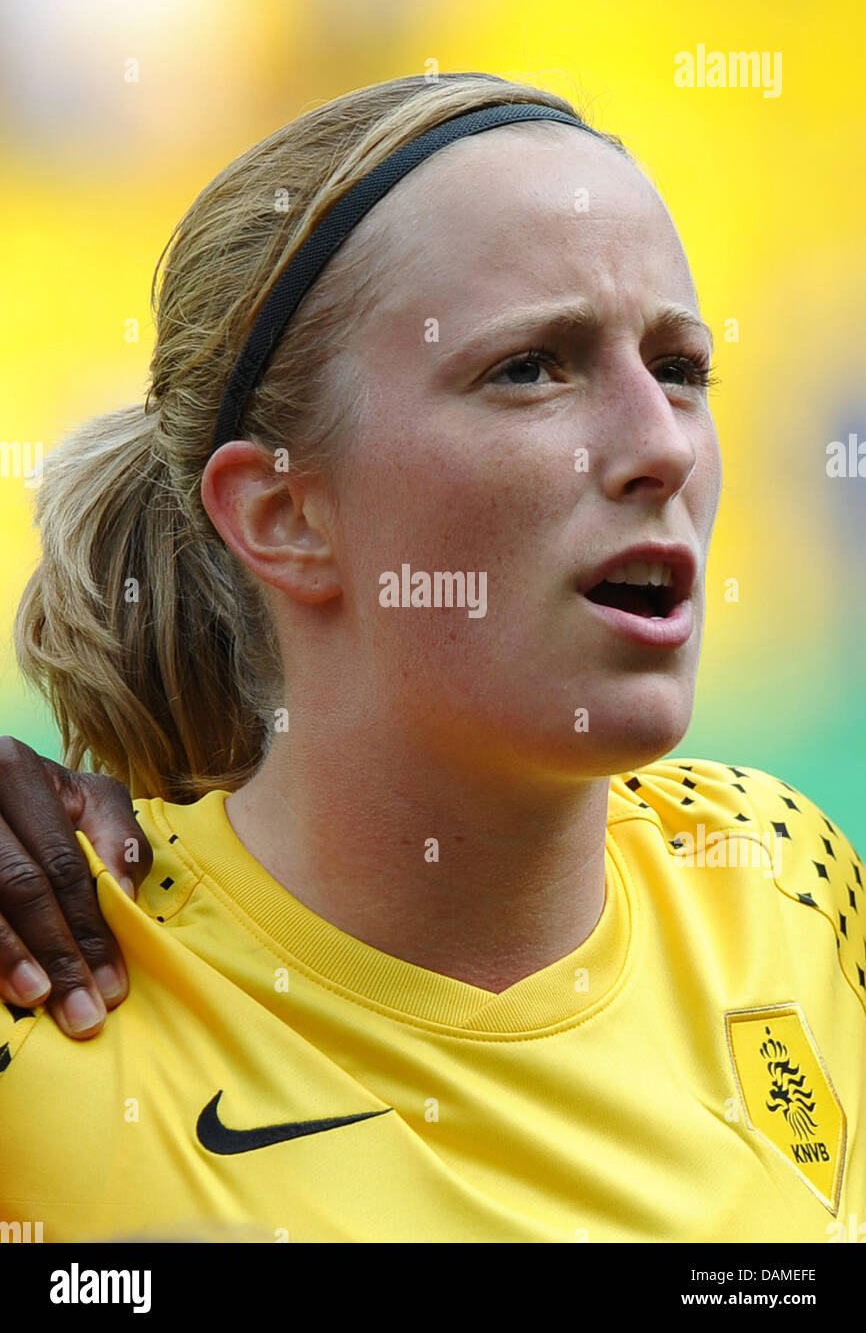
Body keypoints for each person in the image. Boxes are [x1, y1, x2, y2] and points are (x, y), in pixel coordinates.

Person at [0, 70, 862, 1243]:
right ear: (283, 513)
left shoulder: (789, 882)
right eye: (531, 368)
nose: (659, 443)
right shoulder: (53, 1012)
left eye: (678, 368)